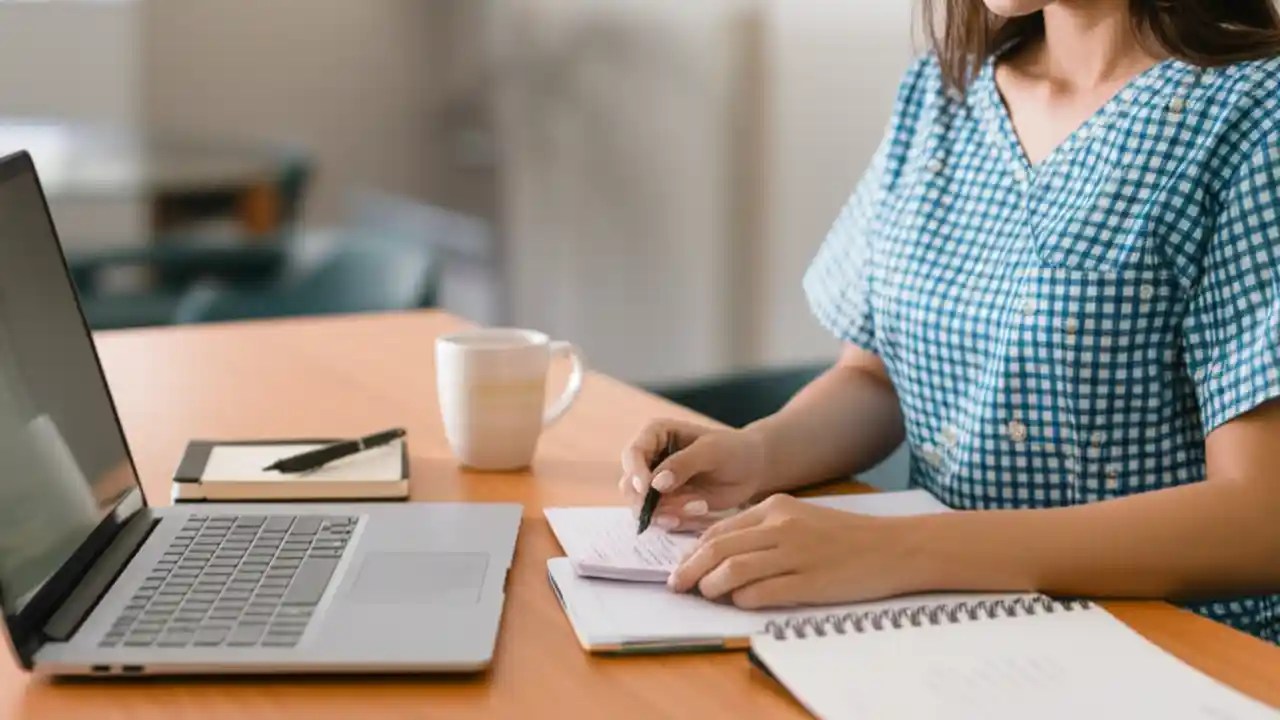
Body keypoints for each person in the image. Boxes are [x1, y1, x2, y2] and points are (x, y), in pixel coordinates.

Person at [620, 0, 1280, 643]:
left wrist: (900, 550)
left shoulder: (1255, 113)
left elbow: (1261, 516)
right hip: (944, 633)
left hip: (1175, 653)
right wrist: (757, 453)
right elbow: (876, 377)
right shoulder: (942, 93)